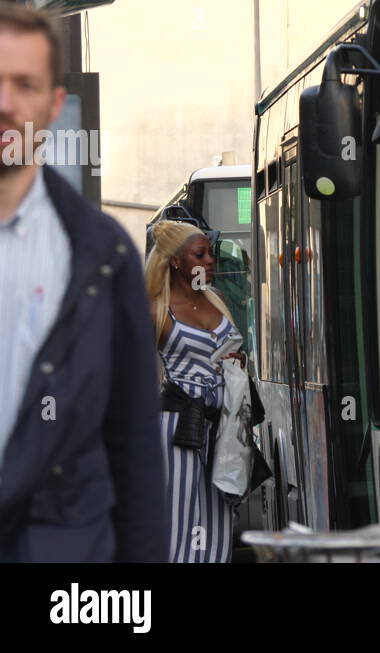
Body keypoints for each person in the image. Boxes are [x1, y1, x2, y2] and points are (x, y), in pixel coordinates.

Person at [0, 4, 166, 562]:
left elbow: (135, 444)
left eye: (24, 85)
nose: (5, 104)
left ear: (52, 106)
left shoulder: (102, 256)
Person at [146, 219, 247, 563]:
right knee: (178, 520)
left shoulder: (216, 301)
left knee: (218, 521)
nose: (209, 262)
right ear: (175, 261)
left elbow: (231, 358)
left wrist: (238, 362)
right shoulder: (157, 310)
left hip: (223, 430)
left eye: (210, 254)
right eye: (199, 254)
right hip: (176, 429)